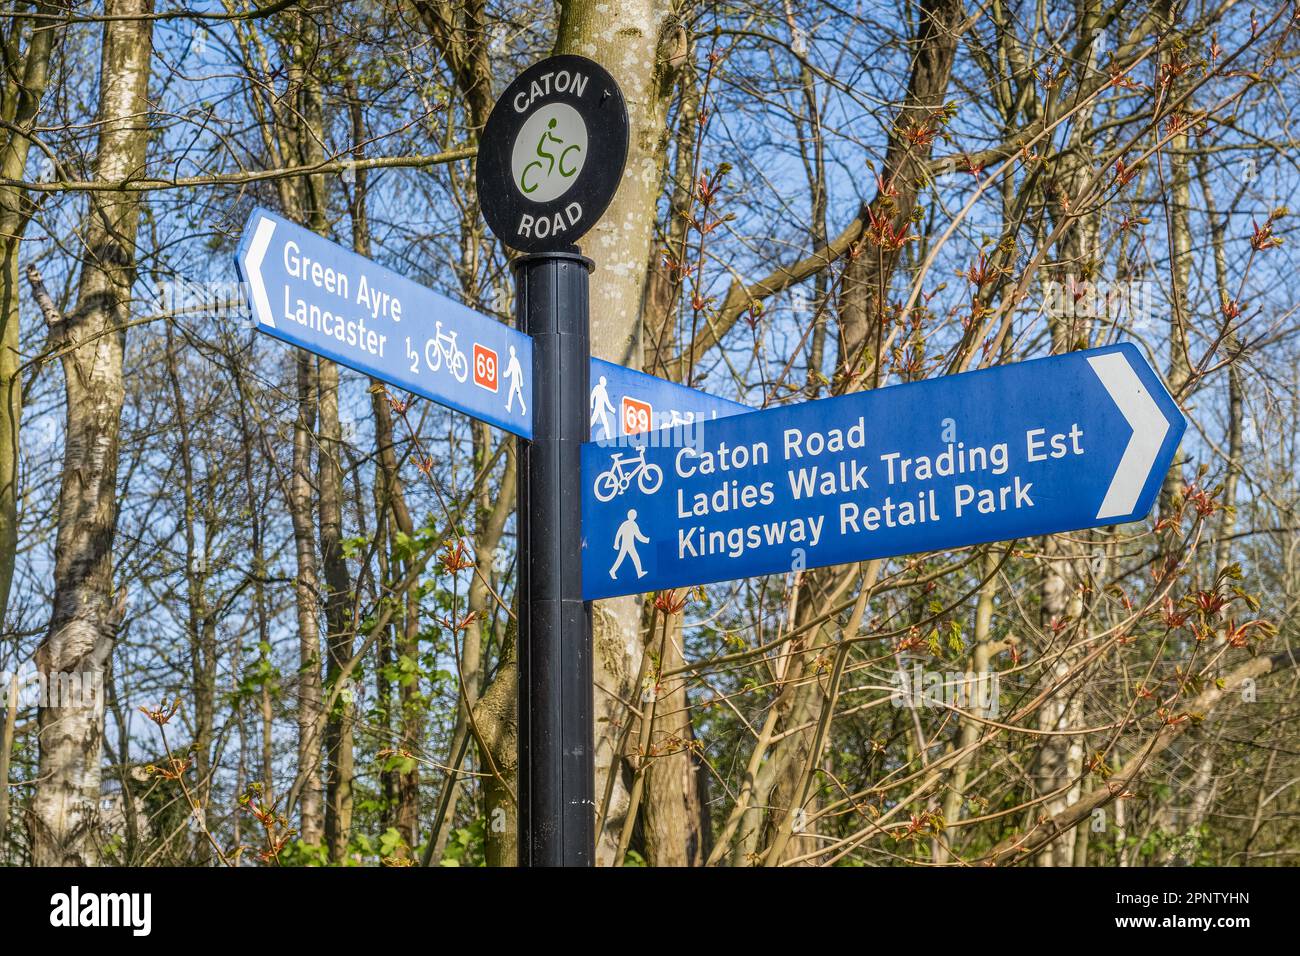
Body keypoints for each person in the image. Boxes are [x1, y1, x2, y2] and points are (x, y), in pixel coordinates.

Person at [610, 508, 649, 580]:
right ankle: (612, 571)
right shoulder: (630, 524)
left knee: (633, 557)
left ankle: (639, 572)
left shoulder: (629, 524)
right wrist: (646, 540)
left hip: (629, 544)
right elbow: (620, 533)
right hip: (626, 544)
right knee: (622, 558)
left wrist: (645, 540)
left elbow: (637, 535)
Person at [589, 375, 614, 439]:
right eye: (604, 381)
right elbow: (592, 396)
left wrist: (612, 409)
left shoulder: (604, 390)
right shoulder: (597, 387)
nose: (605, 383)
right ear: (602, 382)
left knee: (605, 422)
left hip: (601, 409)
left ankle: (608, 436)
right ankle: (587, 431)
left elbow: (607, 401)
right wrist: (591, 405)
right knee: (593, 420)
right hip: (597, 408)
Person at [504, 345, 526, 415]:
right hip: (514, 380)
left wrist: (521, 381)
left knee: (516, 394)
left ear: (514, 352)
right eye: (510, 351)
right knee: (516, 394)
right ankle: (511, 407)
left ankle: (523, 408)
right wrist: (505, 374)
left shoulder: (515, 360)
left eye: (512, 351)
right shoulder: (512, 360)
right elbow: (509, 370)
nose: (511, 352)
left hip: (515, 381)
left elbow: (519, 371)